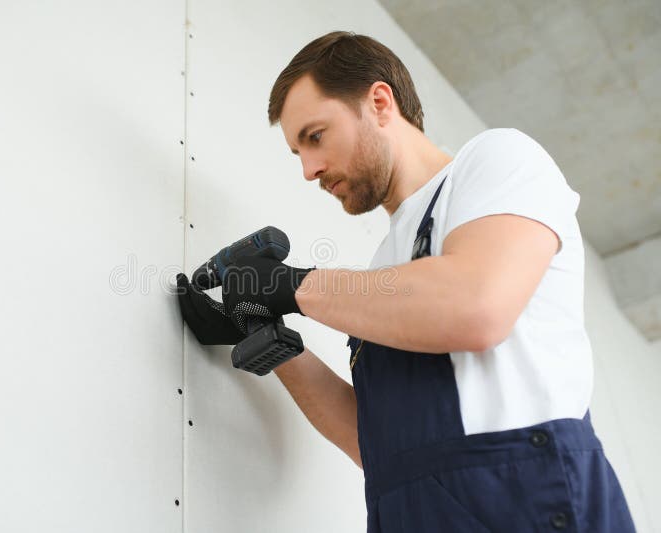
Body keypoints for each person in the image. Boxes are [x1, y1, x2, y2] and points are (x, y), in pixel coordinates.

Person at [176, 31, 635, 532]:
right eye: (297, 153)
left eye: (315, 136)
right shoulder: (384, 270)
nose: (309, 170)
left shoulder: (498, 161)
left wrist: (292, 285)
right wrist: (269, 339)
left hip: (525, 497)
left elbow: (474, 306)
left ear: (378, 102)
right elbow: (375, 444)